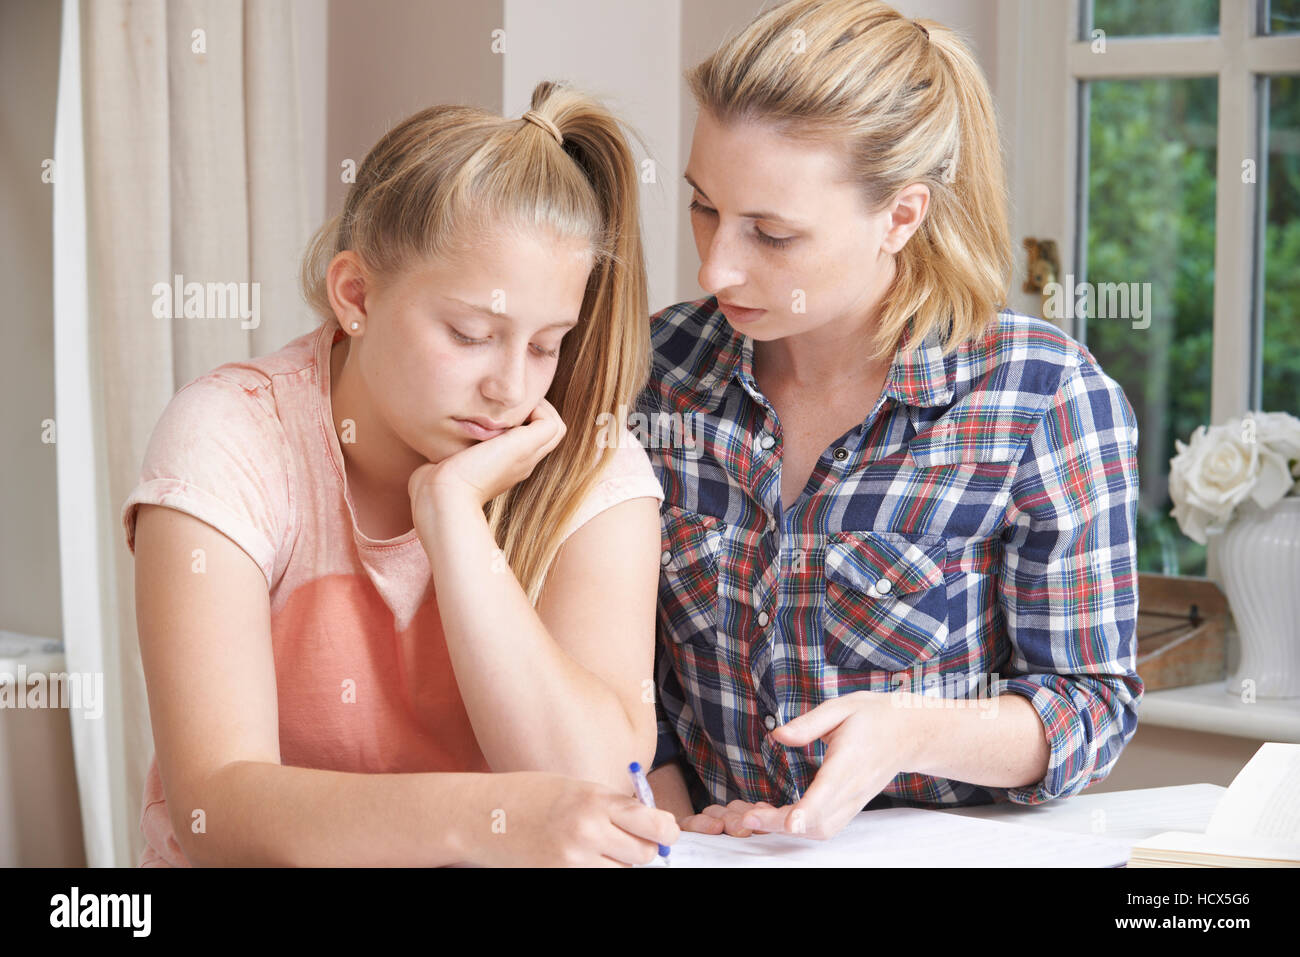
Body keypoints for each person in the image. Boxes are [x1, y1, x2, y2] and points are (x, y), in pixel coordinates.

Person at [123, 80, 679, 867]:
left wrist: (453, 518)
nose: (511, 387)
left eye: (546, 344)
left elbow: (597, 785)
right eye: (470, 332)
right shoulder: (232, 433)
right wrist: (491, 816)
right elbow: (217, 808)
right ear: (355, 294)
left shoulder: (585, 459)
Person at [640, 0, 1143, 841]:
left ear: (900, 217)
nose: (714, 264)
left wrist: (913, 731)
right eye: (704, 207)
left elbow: (1091, 702)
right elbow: (619, 676)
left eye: (771, 232)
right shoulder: (659, 373)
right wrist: (673, 820)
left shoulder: (1041, 397)